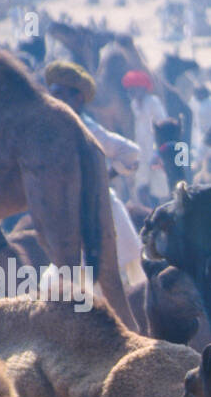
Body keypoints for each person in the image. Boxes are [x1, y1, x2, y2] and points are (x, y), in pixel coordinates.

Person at [45, 60, 145, 288]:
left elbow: (131, 153)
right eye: (54, 94)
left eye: (61, 94)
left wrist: (104, 177)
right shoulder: (53, 130)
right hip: (68, 217)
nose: (55, 100)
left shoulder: (87, 129)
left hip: (100, 214)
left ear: (77, 98)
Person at [123, 69, 168, 205]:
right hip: (141, 151)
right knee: (141, 185)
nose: (131, 93)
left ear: (142, 89)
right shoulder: (134, 105)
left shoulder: (153, 102)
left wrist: (158, 152)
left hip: (155, 150)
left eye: (133, 90)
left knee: (160, 187)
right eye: (129, 90)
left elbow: (162, 126)